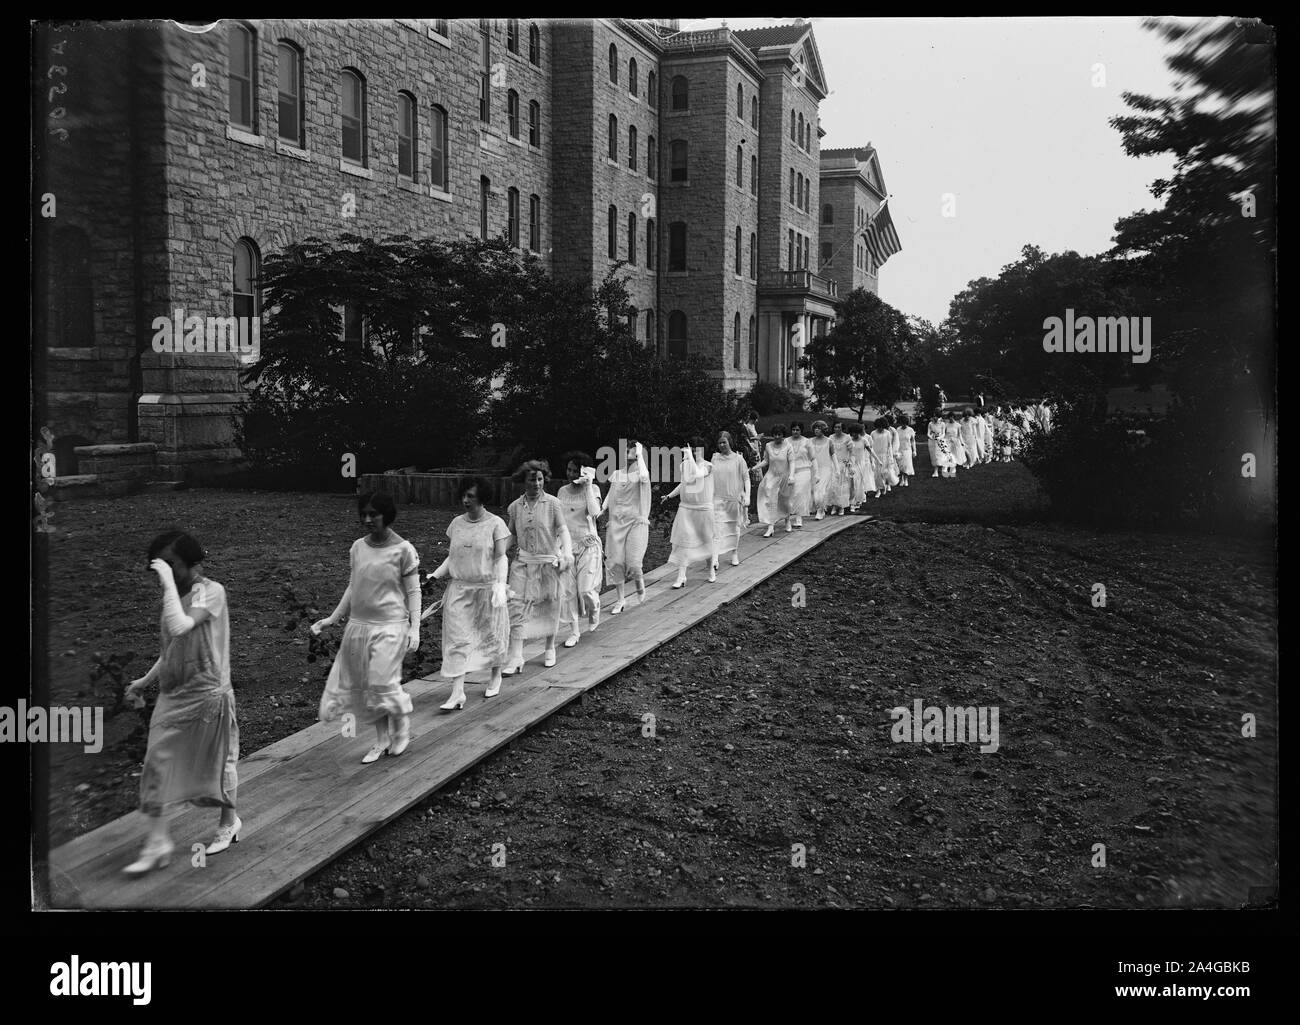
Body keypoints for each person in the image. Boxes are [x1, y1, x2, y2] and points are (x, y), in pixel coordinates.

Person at [122, 531, 241, 874]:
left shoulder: (211, 591)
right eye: (161, 566)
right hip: (174, 694)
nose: (167, 571)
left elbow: (181, 625)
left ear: (191, 562)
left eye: (171, 564)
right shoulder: (176, 595)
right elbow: (172, 648)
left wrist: (164, 581)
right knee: (155, 763)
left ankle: (229, 822)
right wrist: (145, 682)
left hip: (208, 692)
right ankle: (157, 842)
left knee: (220, 762)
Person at [314, 492, 419, 761]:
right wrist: (332, 619)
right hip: (359, 626)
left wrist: (415, 628)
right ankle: (382, 738)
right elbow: (354, 586)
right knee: (366, 688)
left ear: (387, 515)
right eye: (364, 514)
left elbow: (414, 591)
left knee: (383, 683)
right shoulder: (357, 547)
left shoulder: (403, 550)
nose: (368, 519)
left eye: (374, 514)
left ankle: (402, 719)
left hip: (391, 626)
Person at [426, 476, 511, 708]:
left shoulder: (495, 524)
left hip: (487, 588)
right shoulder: (456, 523)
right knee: (457, 639)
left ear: (481, 498)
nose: (465, 500)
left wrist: (500, 586)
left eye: (470, 496)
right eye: (463, 495)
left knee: (491, 634)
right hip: (459, 589)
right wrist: (435, 575)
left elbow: (501, 556)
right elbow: (452, 556)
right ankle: (457, 692)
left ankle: (495, 675)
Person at [503, 460, 573, 674]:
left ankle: (549, 647)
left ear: (545, 480)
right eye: (532, 479)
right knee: (515, 606)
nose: (536, 483)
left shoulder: (553, 504)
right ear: (524, 480)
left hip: (547, 563)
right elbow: (511, 535)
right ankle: (516, 656)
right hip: (522, 564)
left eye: (540, 479)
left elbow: (563, 531)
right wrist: (497, 553)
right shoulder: (515, 507)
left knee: (549, 604)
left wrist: (567, 553)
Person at [557, 452, 603, 649]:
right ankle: (574, 631)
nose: (571, 473)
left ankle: (595, 609)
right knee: (567, 592)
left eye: (575, 470)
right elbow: (558, 522)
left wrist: (587, 486)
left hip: (588, 545)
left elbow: (594, 512)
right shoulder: (561, 491)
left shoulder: (593, 489)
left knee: (586, 590)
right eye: (569, 469)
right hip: (567, 546)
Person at [600, 439, 651, 616]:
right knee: (615, 562)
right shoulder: (617, 474)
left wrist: (640, 456)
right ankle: (621, 599)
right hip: (617, 522)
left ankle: (639, 582)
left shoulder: (642, 473)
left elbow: (644, 477)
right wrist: (603, 508)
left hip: (636, 522)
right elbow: (611, 493)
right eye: (627, 451)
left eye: (633, 453)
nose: (629, 455)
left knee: (635, 563)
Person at [663, 437, 717, 586]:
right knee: (684, 541)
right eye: (691, 449)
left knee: (706, 541)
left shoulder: (709, 466)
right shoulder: (684, 465)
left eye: (696, 449)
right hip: (686, 508)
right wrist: (669, 496)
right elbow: (684, 483)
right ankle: (681, 576)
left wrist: (690, 458)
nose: (693, 451)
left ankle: (711, 569)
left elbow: (697, 474)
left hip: (703, 509)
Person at [710, 431, 750, 567]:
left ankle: (734, 553)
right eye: (719, 443)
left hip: (734, 499)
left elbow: (746, 478)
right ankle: (715, 558)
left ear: (729, 442)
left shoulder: (738, 459)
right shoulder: (715, 458)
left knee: (734, 528)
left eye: (724, 442)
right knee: (716, 530)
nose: (721, 445)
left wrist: (748, 495)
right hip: (718, 498)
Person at [754, 423, 795, 536]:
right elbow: (766, 461)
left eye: (779, 434)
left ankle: (787, 520)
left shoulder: (788, 446)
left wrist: (791, 476)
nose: (777, 437)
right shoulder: (768, 446)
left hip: (785, 477)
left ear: (783, 435)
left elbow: (792, 462)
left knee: (785, 501)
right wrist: (755, 467)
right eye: (775, 434)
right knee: (770, 499)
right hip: (771, 476)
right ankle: (770, 526)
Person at [787, 421, 815, 528]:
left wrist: (816, 473)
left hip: (804, 470)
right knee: (790, 494)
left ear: (801, 430)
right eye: (793, 429)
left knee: (800, 493)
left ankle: (799, 518)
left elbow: (813, 458)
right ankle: (788, 517)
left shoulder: (807, 442)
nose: (795, 432)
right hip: (789, 471)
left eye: (797, 430)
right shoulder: (786, 441)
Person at [808, 420, 835, 520]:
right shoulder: (810, 441)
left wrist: (836, 469)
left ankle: (820, 511)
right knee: (813, 491)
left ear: (823, 429)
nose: (816, 430)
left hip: (826, 468)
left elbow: (833, 455)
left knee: (821, 491)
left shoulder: (829, 441)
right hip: (813, 468)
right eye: (815, 428)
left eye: (819, 428)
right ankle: (821, 508)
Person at [869, 418, 899, 497]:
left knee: (883, 473)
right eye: (879, 427)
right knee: (877, 474)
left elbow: (889, 446)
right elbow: (871, 446)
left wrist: (891, 457)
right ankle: (878, 490)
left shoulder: (887, 433)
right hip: (876, 456)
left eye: (882, 427)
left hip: (885, 455)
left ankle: (884, 486)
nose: (880, 428)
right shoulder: (873, 433)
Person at [827, 421, 852, 514]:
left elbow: (851, 451)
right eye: (835, 427)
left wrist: (848, 461)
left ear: (842, 428)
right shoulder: (831, 437)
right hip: (833, 464)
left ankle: (841, 506)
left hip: (843, 464)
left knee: (842, 486)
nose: (837, 429)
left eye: (839, 427)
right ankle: (834, 505)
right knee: (834, 485)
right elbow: (828, 451)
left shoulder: (847, 437)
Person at [848, 423, 874, 511]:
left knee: (858, 484)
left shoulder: (864, 441)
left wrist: (874, 461)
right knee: (851, 484)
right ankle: (852, 500)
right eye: (852, 432)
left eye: (856, 432)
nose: (854, 434)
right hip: (851, 464)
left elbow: (871, 452)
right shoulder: (849, 441)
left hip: (861, 464)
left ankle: (855, 502)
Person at [895, 413, 917, 486]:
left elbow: (913, 441)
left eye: (904, 423)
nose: (903, 425)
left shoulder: (910, 430)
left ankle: (906, 479)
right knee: (900, 465)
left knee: (906, 465)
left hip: (907, 449)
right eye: (901, 423)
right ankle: (901, 479)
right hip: (899, 449)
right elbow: (895, 440)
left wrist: (914, 450)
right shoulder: (898, 429)